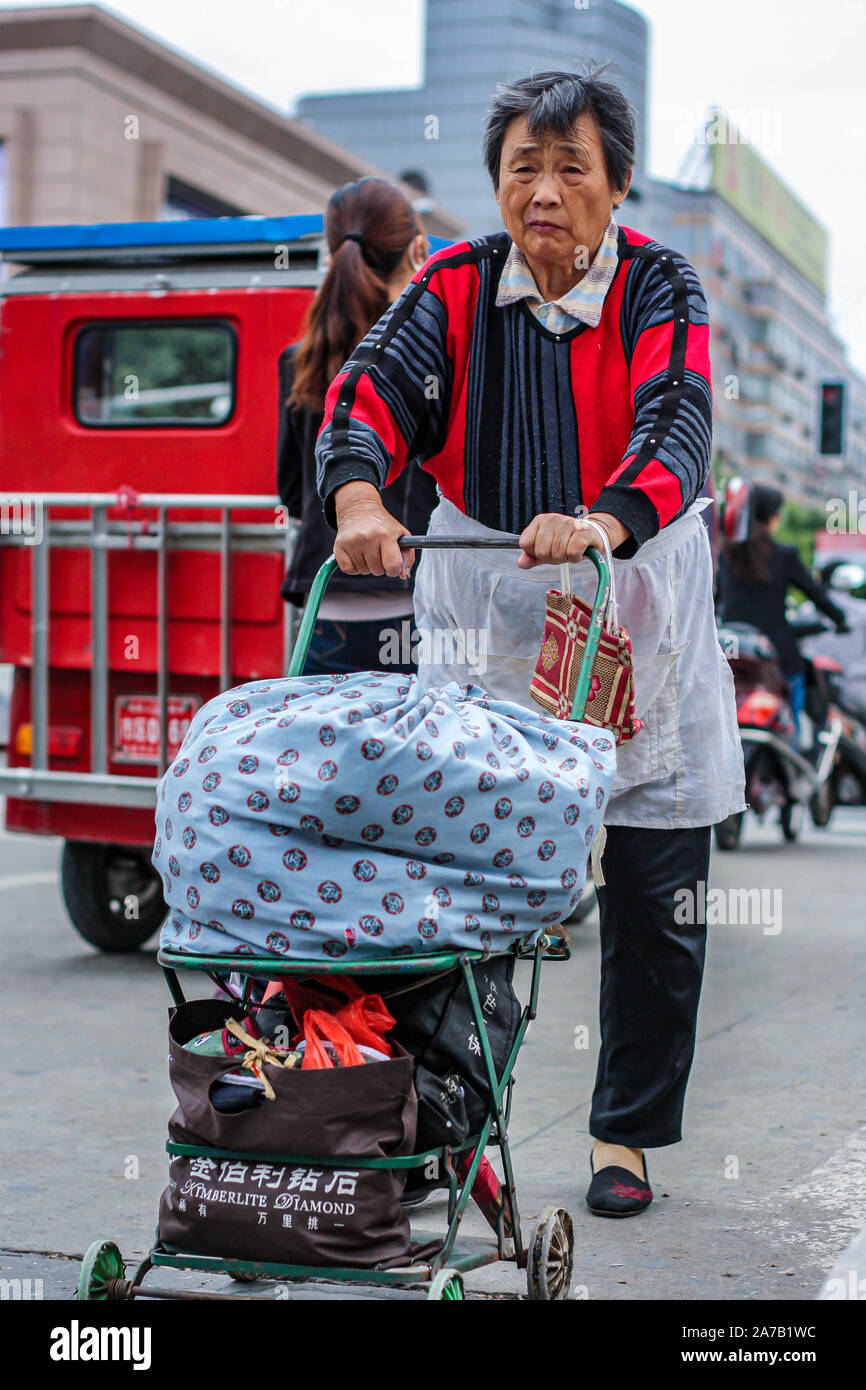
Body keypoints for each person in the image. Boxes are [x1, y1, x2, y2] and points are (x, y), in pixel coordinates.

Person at [316, 67, 746, 1218]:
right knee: (472, 883)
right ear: (495, 185)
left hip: (632, 591)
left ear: (614, 187)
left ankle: (624, 1137)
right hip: (491, 606)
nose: (543, 191)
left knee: (656, 901)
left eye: (570, 168)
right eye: (522, 168)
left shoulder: (660, 280)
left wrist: (605, 516)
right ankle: (448, 1123)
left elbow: (678, 418)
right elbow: (369, 390)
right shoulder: (454, 283)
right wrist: (359, 499)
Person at [277, 176, 438, 675]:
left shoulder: (300, 360)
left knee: (322, 753)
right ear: (419, 249)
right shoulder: (437, 355)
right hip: (419, 604)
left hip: (325, 602)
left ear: (333, 251)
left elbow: (290, 490)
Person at [717, 483, 849, 734]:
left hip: (733, 649)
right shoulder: (783, 555)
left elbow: (718, 600)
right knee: (791, 716)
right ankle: (792, 759)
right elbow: (816, 593)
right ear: (771, 517)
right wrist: (840, 618)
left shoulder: (727, 554)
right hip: (776, 652)